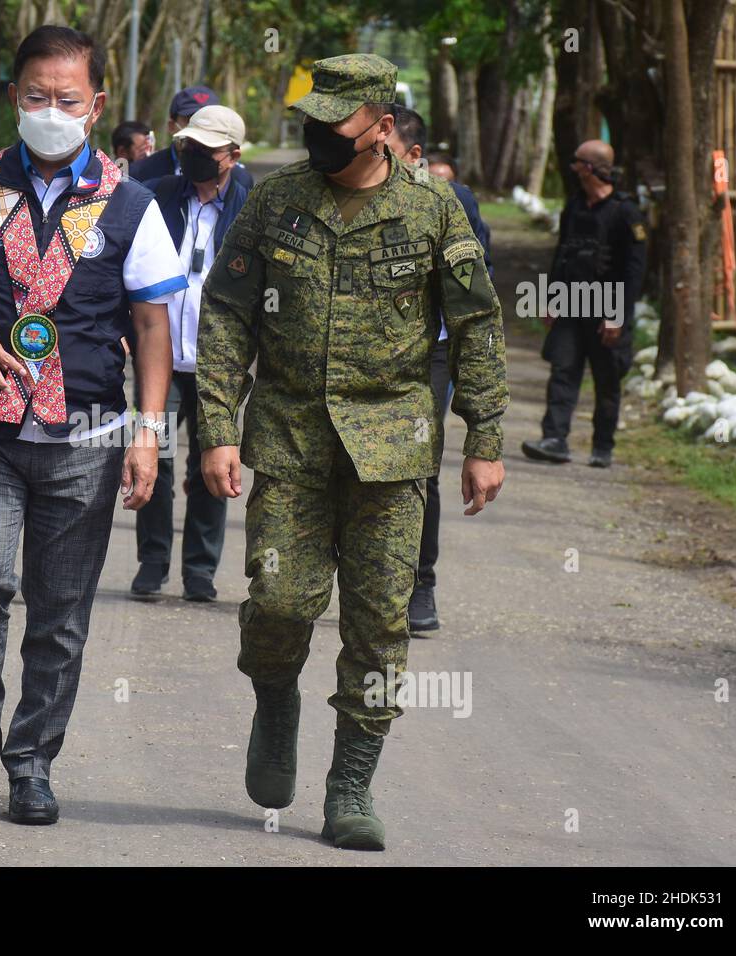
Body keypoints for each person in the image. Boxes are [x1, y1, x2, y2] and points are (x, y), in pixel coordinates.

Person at [197, 54, 508, 850]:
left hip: (393, 449)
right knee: (277, 602)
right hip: (292, 437)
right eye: (310, 121)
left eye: (333, 122)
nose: (316, 136)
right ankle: (275, 700)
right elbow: (227, 314)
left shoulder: (435, 212)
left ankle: (350, 786)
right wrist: (218, 428)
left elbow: (476, 327)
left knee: (378, 627)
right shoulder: (275, 204)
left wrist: (485, 438)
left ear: (381, 125)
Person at [0, 25, 184, 826]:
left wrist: (149, 429)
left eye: (67, 99)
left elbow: (152, 323)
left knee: (61, 613)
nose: (49, 111)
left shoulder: (130, 204)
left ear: (95, 106)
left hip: (86, 436)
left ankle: (31, 761)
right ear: (13, 98)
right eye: (35, 97)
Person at [130, 105, 249, 603]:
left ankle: (200, 569)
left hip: (219, 365)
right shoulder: (158, 197)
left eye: (206, 150)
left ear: (233, 156)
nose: (194, 155)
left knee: (211, 466)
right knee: (152, 456)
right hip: (160, 360)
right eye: (188, 146)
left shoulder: (251, 208)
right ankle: (152, 563)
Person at [387, 106, 492, 634]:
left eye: (388, 155)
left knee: (418, 466)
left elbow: (477, 293)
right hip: (362, 352)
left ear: (414, 156)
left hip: (430, 351)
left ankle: (420, 585)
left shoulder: (453, 203)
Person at [522, 139, 646, 468]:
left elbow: (634, 273)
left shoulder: (625, 212)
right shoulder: (575, 206)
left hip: (607, 311)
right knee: (563, 371)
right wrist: (549, 297)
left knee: (606, 380)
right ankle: (554, 439)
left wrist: (617, 316)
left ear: (589, 168)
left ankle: (602, 447)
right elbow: (562, 254)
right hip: (571, 306)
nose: (573, 168)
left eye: (577, 162)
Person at [129, 86, 253, 191]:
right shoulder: (138, 173)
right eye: (191, 120)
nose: (200, 129)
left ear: (233, 158)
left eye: (211, 121)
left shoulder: (241, 180)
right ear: (172, 126)